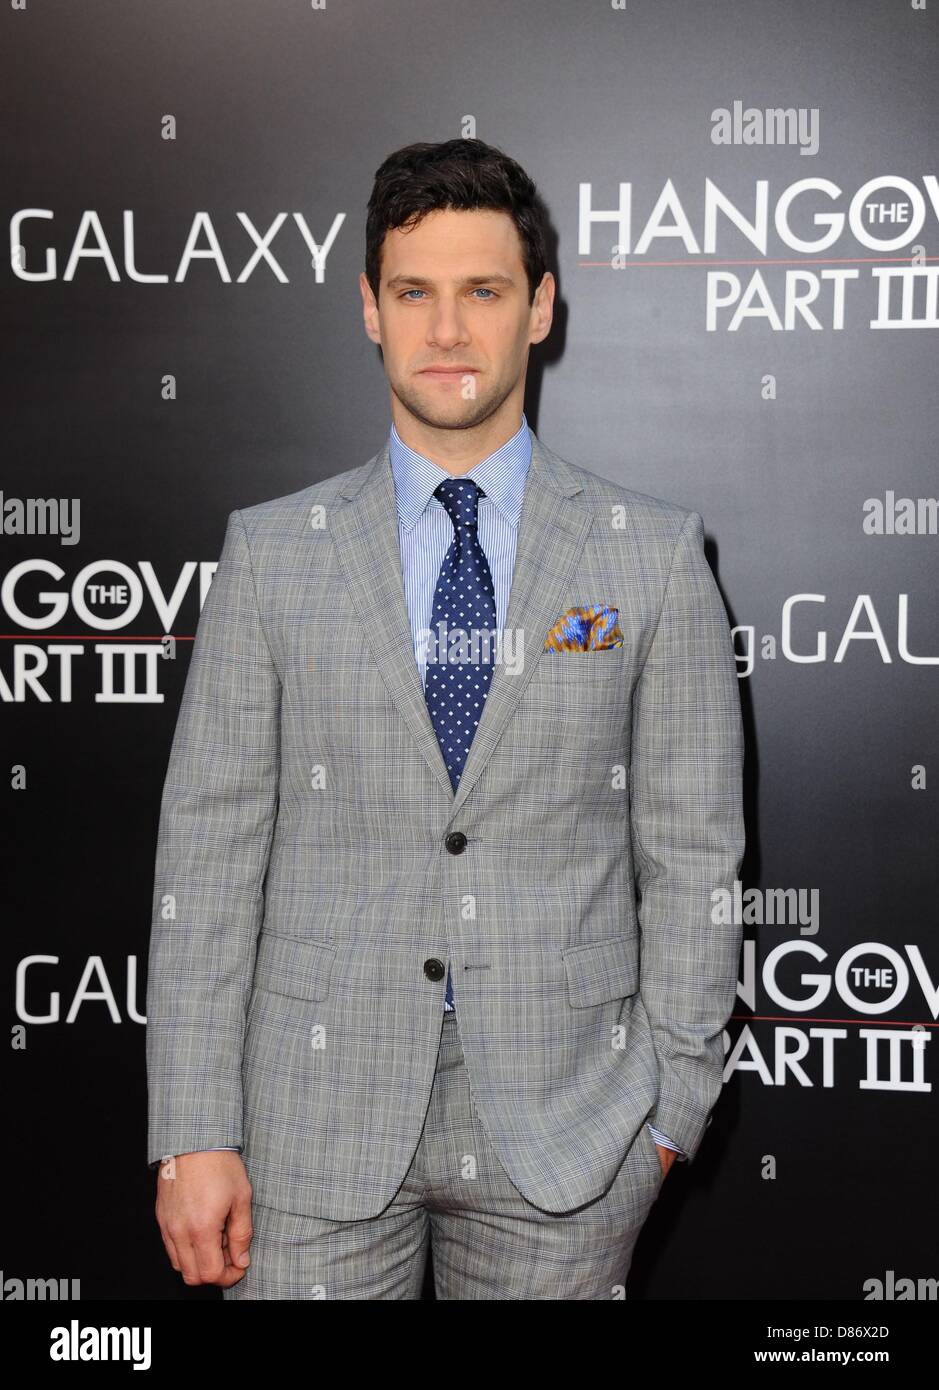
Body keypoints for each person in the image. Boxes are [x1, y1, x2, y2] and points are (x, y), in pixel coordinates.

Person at [146, 137, 745, 1300]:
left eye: (484, 291)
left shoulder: (653, 555)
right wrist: (191, 1126)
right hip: (306, 1123)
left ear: (542, 309)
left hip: (570, 1133)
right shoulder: (273, 555)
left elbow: (694, 855)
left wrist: (668, 1114)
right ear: (370, 309)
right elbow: (208, 858)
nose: (449, 330)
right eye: (414, 293)